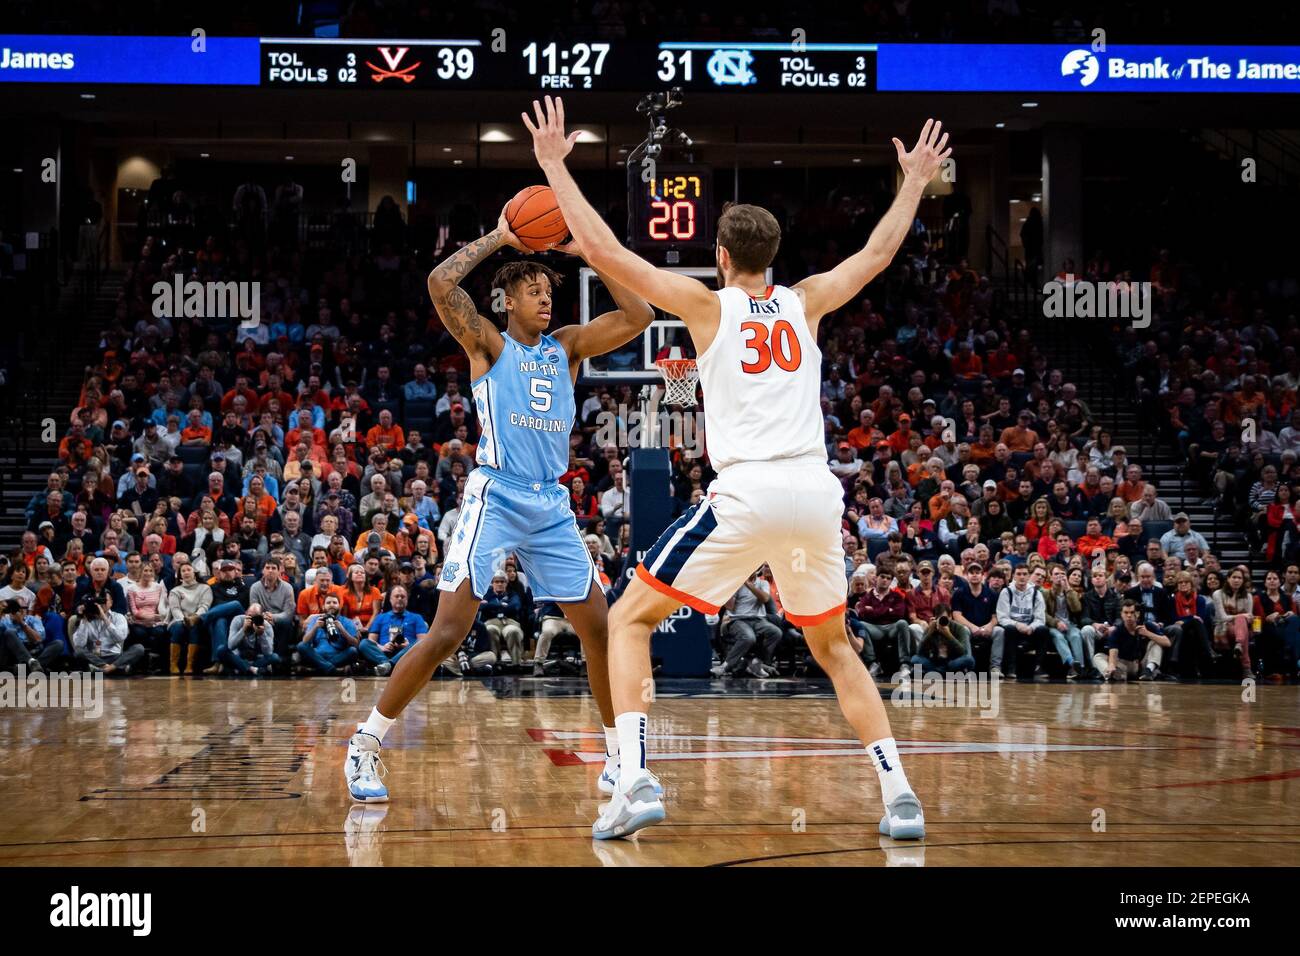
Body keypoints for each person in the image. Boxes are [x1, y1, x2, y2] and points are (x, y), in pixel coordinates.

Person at [527, 96, 949, 839]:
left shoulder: (707, 307)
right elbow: (878, 255)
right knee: (834, 647)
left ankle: (635, 780)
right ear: (772, 258)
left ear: (721, 257)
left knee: (628, 618)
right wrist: (913, 181)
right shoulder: (806, 301)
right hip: (815, 494)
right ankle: (900, 795)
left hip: (750, 491)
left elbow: (605, 252)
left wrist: (556, 167)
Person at [346, 191, 656, 805]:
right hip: (497, 494)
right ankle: (364, 743)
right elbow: (439, 283)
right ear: (507, 300)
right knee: (447, 632)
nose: (546, 298)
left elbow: (640, 314)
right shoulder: (487, 343)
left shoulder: (567, 346)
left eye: (548, 291)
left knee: (601, 630)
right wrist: (502, 238)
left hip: (551, 505)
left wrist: (591, 253)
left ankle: (618, 760)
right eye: (533, 290)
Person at [361, 585, 425, 676]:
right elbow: (371, 640)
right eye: (396, 596)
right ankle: (389, 664)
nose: (400, 598)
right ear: (390, 599)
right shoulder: (380, 617)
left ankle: (388, 665)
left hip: (406, 654)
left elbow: (422, 641)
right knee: (364, 643)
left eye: (403, 596)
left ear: (407, 600)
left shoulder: (416, 617)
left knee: (419, 644)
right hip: (383, 653)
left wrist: (408, 646)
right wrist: (382, 647)